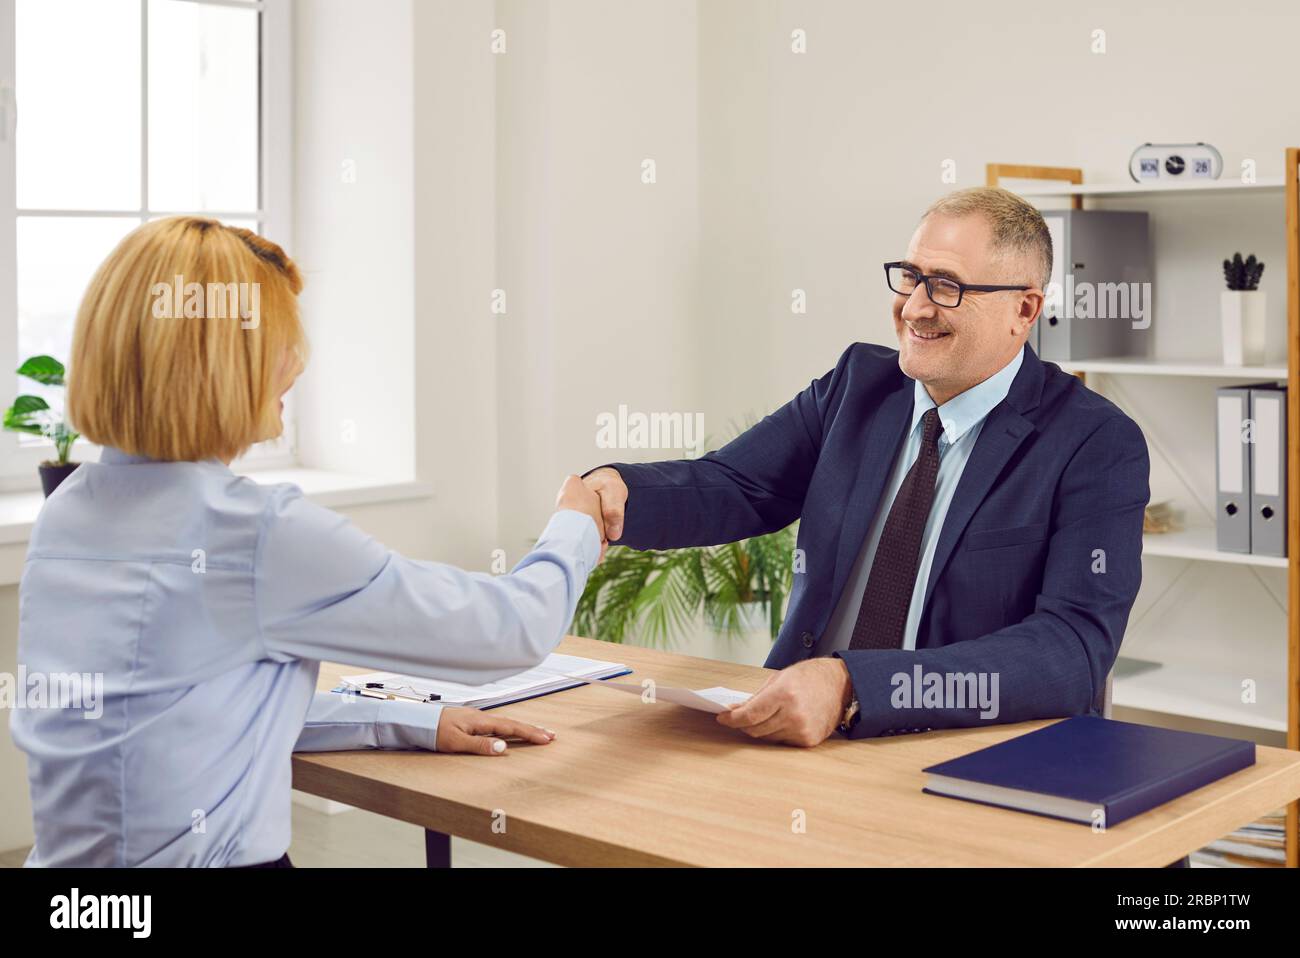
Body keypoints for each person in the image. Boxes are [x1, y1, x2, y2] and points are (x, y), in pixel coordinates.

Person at [10, 217, 605, 867]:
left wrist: (406, 720)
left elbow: (176, 714)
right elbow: (509, 628)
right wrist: (576, 523)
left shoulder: (68, 511)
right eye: (280, 348)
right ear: (221, 363)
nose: (295, 367)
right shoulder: (259, 533)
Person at [583, 187, 1150, 747]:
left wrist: (856, 684)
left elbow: (1071, 647)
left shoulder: (1094, 441)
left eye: (947, 286)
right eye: (910, 276)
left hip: (962, 749)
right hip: (801, 728)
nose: (916, 307)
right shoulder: (857, 385)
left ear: (1023, 309)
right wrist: (618, 493)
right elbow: (737, 485)